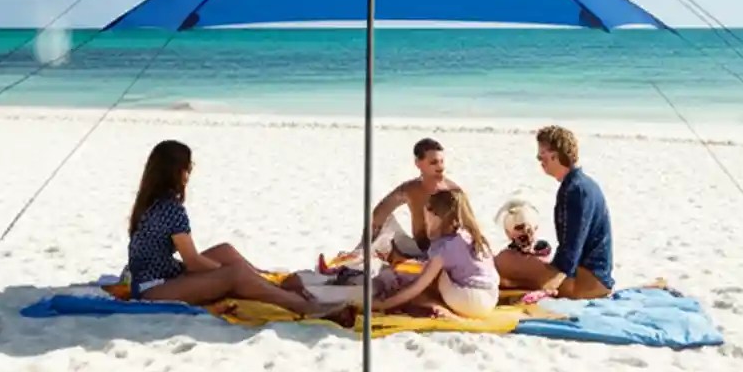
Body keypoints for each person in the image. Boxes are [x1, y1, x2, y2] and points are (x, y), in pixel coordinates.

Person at [127, 139, 349, 322]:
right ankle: (306, 307)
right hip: (153, 290)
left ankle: (269, 285)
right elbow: (193, 261)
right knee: (235, 273)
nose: (190, 172)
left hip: (157, 277)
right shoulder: (171, 209)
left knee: (225, 250)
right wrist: (224, 271)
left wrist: (223, 266)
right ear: (178, 172)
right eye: (188, 167)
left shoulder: (149, 201)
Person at [494, 125, 613, 299]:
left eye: (541, 156)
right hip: (595, 276)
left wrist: (548, 287)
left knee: (503, 262)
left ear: (555, 156)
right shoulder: (582, 184)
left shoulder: (574, 191)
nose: (540, 161)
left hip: (587, 282)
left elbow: (570, 253)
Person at [319, 137, 460, 270]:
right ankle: (357, 256)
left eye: (442, 161)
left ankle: (359, 259)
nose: (440, 167)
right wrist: (367, 241)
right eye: (434, 162)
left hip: (441, 253)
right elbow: (381, 211)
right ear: (418, 163)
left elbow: (467, 229)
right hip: (416, 249)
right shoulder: (410, 189)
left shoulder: (453, 191)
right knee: (384, 221)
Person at [373, 189, 500, 318]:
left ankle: (440, 310)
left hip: (469, 300)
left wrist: (382, 305)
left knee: (424, 282)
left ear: (435, 215)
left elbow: (417, 286)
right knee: (431, 272)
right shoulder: (474, 237)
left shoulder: (444, 246)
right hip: (491, 299)